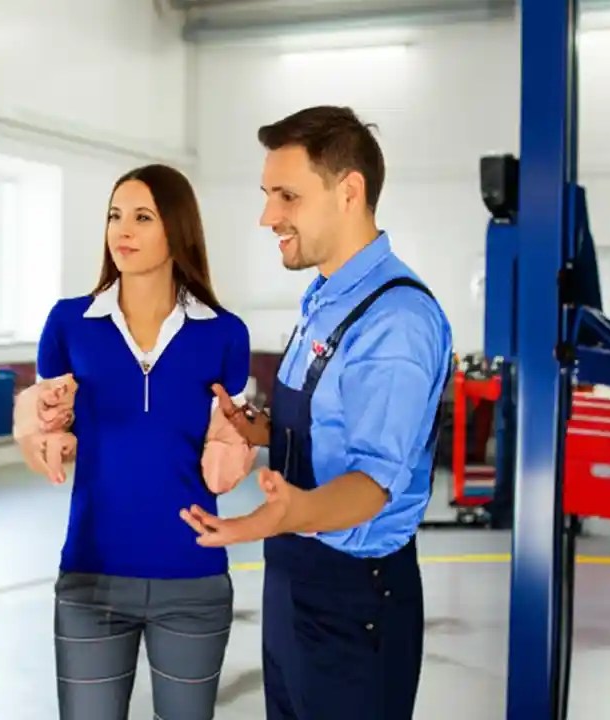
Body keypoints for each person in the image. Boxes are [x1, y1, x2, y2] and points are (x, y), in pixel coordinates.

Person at [180, 106, 454, 719]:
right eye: (267, 195)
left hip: (354, 599)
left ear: (348, 191)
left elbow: (372, 484)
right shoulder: (324, 299)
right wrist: (261, 432)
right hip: (296, 577)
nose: (267, 216)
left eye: (287, 196)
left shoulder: (397, 319)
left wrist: (280, 515)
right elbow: (324, 429)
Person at [11, 164, 254, 720]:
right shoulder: (69, 322)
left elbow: (231, 442)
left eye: (142, 217)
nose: (123, 229)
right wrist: (42, 426)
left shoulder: (224, 333)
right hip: (91, 577)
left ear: (178, 229)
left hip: (192, 580)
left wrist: (236, 449)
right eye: (115, 216)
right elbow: (47, 417)